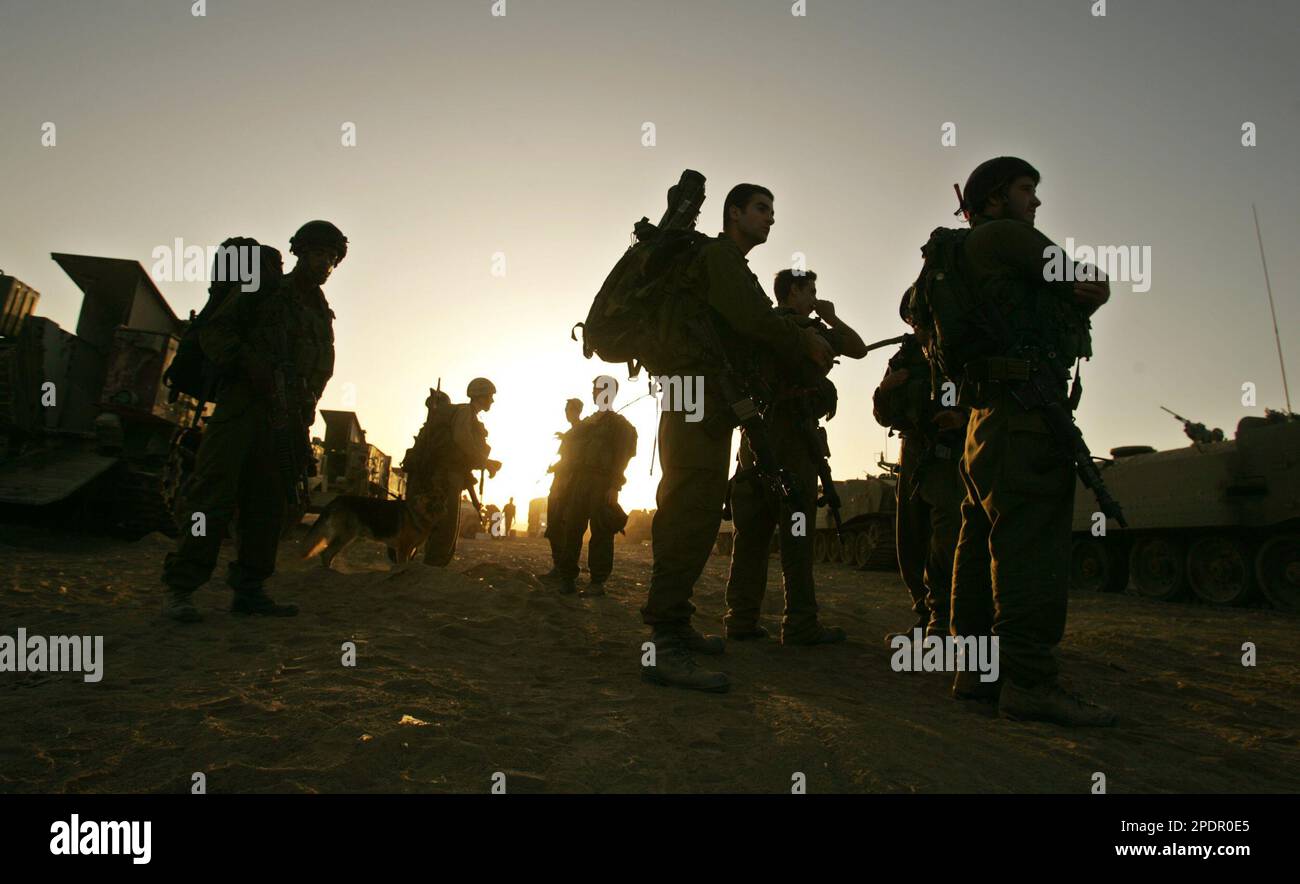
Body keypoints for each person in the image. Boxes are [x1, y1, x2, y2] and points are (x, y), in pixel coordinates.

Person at [641, 183, 834, 692]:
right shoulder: (720, 257)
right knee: (691, 505)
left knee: (697, 505)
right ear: (734, 213)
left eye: (773, 210)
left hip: (700, 394)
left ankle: (676, 625)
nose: (770, 219)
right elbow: (752, 321)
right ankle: (663, 643)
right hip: (694, 394)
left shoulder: (728, 263)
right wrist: (803, 337)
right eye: (761, 209)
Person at [945, 157, 1115, 725]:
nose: (1035, 202)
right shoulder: (1009, 237)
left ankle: (975, 671)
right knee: (1031, 541)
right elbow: (1087, 279)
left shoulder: (965, 253)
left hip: (985, 417)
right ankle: (1030, 682)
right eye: (1026, 190)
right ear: (994, 200)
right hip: (1025, 414)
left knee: (979, 539)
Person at [161, 221, 345, 621]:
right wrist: (250, 366)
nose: (324, 263)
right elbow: (217, 331)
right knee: (211, 498)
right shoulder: (264, 288)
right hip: (241, 407)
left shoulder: (319, 312)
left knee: (268, 506)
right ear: (298, 252)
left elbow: (322, 367)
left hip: (285, 416)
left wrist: (306, 401)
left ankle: (249, 590)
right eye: (317, 253)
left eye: (331, 257)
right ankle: (182, 590)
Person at [723, 268, 866, 645]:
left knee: (750, 535)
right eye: (811, 290)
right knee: (797, 535)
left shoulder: (761, 326)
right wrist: (830, 316)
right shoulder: (809, 332)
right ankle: (800, 624)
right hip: (793, 447)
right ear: (795, 291)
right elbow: (858, 348)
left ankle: (740, 618)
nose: (815, 296)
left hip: (754, 445)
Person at [872, 290, 966, 642]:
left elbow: (986, 398)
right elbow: (884, 415)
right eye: (912, 319)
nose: (917, 325)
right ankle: (926, 615)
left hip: (950, 454)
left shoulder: (959, 351)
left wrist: (962, 418)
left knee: (946, 538)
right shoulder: (905, 358)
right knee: (909, 540)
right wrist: (883, 391)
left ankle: (945, 619)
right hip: (912, 451)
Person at [551, 376, 637, 596]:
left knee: (601, 531)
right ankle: (567, 578)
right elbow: (570, 444)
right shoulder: (588, 423)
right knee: (572, 528)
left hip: (602, 482)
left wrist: (614, 486)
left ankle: (597, 582)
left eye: (598, 389)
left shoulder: (621, 426)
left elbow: (622, 458)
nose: (594, 393)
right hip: (579, 481)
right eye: (594, 389)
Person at [407, 377, 502, 566]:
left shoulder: (467, 414)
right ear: (480, 395)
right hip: (447, 476)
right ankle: (433, 567)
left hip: (445, 475)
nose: (492, 400)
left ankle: (427, 564)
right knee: (446, 526)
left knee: (437, 522)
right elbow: (462, 439)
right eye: (490, 396)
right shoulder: (466, 411)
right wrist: (485, 461)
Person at [542, 398, 583, 569]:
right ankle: (559, 566)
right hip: (559, 486)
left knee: (562, 528)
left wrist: (555, 467)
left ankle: (564, 568)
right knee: (554, 527)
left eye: (568, 409)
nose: (566, 413)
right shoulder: (572, 433)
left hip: (568, 488)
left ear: (576, 410)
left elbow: (573, 461)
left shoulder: (581, 433)